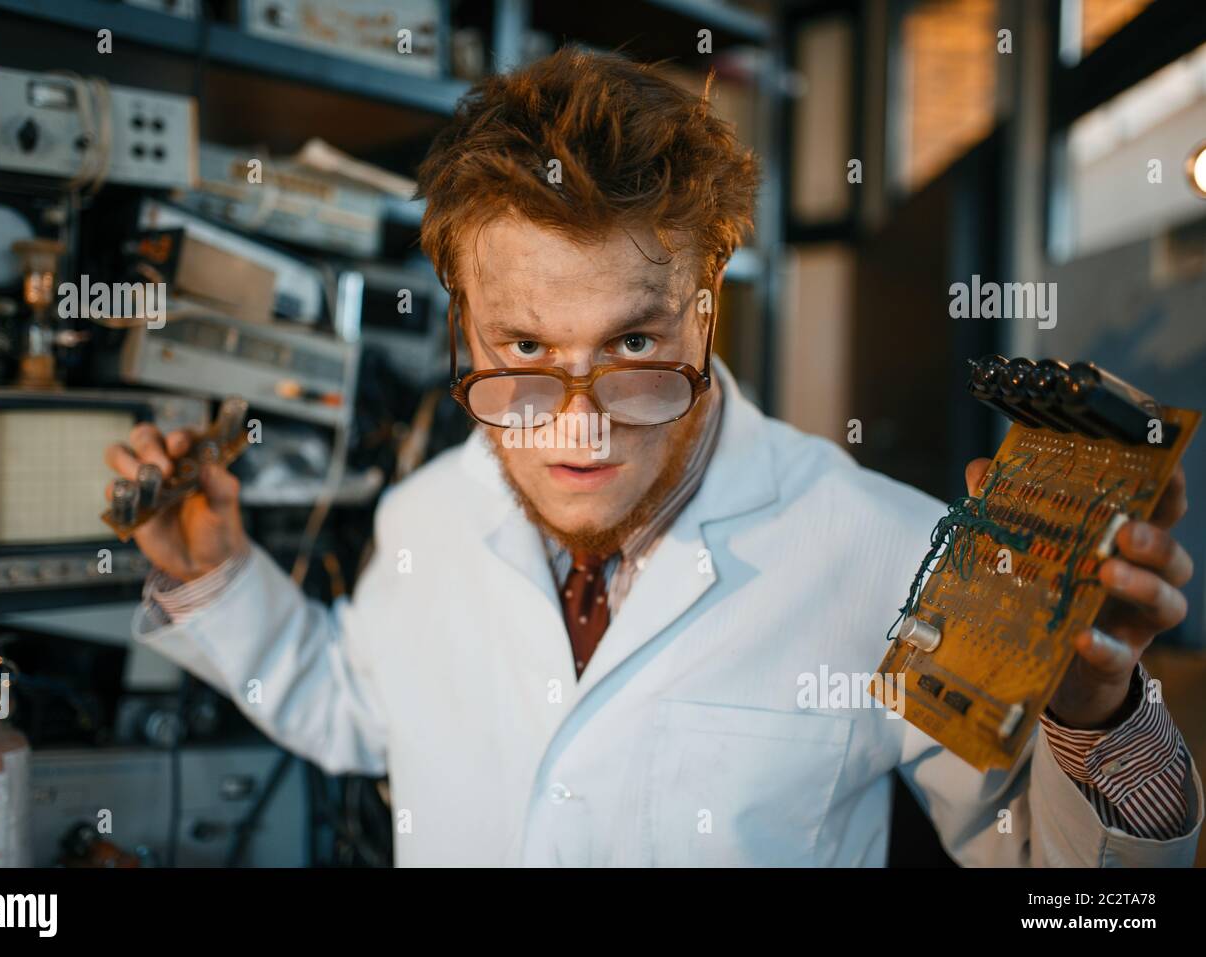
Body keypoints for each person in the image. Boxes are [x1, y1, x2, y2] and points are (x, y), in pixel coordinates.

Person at [107, 48, 1201, 866]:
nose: (579, 425)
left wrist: (1096, 716)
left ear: (704, 309)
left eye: (633, 344)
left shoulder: (889, 553)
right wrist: (212, 575)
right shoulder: (424, 517)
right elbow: (355, 707)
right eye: (522, 349)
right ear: (462, 326)